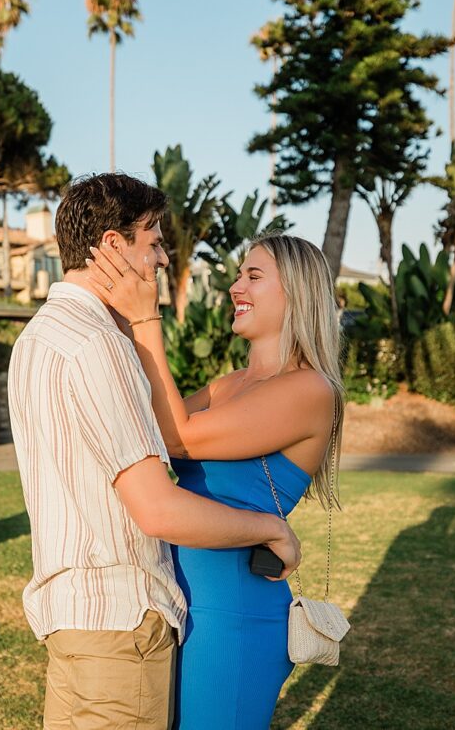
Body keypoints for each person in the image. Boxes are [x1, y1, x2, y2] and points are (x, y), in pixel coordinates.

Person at [7, 172, 303, 730]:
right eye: (154, 241)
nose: (164, 258)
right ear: (114, 247)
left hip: (67, 621)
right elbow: (158, 509)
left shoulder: (36, 338)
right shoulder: (101, 344)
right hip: (119, 628)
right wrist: (271, 529)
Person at [87, 232, 342, 729]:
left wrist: (146, 319)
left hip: (235, 615)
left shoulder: (310, 389)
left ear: (296, 292)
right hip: (179, 601)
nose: (234, 286)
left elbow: (177, 439)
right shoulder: (230, 384)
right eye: (238, 274)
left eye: (253, 275)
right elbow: (154, 429)